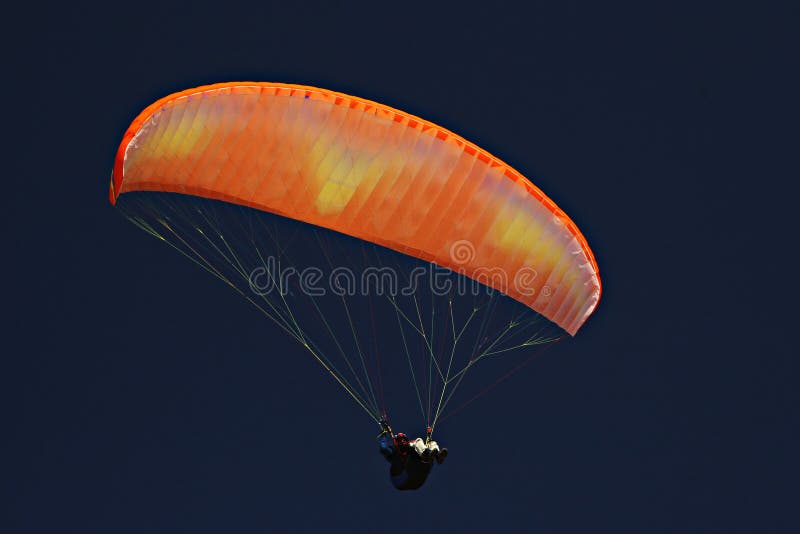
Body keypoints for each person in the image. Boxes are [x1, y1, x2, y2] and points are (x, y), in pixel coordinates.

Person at [377, 418, 448, 490]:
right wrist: (384, 434)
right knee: (418, 441)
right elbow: (384, 448)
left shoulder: (411, 448)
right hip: (401, 480)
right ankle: (426, 456)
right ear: (397, 443)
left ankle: (437, 456)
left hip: (419, 478)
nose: (403, 441)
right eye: (400, 440)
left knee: (431, 443)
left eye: (404, 439)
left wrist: (429, 437)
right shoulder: (395, 453)